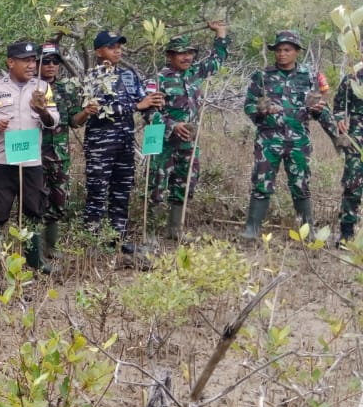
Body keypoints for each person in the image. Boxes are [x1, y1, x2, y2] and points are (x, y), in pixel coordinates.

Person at [0, 40, 61, 273]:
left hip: (31, 161)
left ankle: (35, 260)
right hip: (3, 161)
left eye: (33, 60)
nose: (31, 65)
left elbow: (54, 121)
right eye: (25, 60)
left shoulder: (42, 87)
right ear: (11, 62)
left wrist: (41, 109)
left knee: (33, 209)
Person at [74, 29, 164, 251]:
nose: (117, 51)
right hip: (100, 147)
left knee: (121, 192)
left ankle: (117, 238)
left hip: (125, 144)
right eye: (112, 47)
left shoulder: (129, 75)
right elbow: (98, 109)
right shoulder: (91, 77)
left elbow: (144, 101)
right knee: (97, 192)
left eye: (119, 47)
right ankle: (93, 242)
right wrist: (136, 106)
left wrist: (155, 109)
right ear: (98, 51)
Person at [241, 30, 337, 238]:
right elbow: (248, 105)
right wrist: (260, 108)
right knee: (261, 182)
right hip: (268, 140)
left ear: (296, 52)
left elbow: (319, 108)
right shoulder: (262, 76)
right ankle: (252, 230)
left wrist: (331, 126)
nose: (282, 54)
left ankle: (308, 232)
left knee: (301, 184)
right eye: (278, 50)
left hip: (298, 140)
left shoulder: (309, 76)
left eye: (287, 50)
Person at [148, 23, 230, 238]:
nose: (186, 58)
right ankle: (149, 234)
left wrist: (221, 34)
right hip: (160, 139)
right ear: (169, 56)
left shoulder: (195, 73)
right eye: (181, 54)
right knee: (156, 185)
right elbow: (148, 113)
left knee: (185, 183)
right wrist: (172, 126)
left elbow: (217, 60)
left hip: (188, 140)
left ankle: (175, 230)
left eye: (190, 53)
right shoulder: (158, 79)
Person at [37, 42, 82, 261]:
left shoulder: (67, 89)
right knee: (35, 200)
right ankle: (33, 249)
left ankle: (51, 246)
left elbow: (74, 121)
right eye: (46, 61)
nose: (51, 65)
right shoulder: (31, 89)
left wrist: (88, 112)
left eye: (55, 61)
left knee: (58, 200)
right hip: (35, 154)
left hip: (60, 155)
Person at [335, 64, 363, 245]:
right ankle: (347, 233)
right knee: (352, 184)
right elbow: (338, 104)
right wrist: (339, 118)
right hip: (356, 140)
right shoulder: (353, 77)